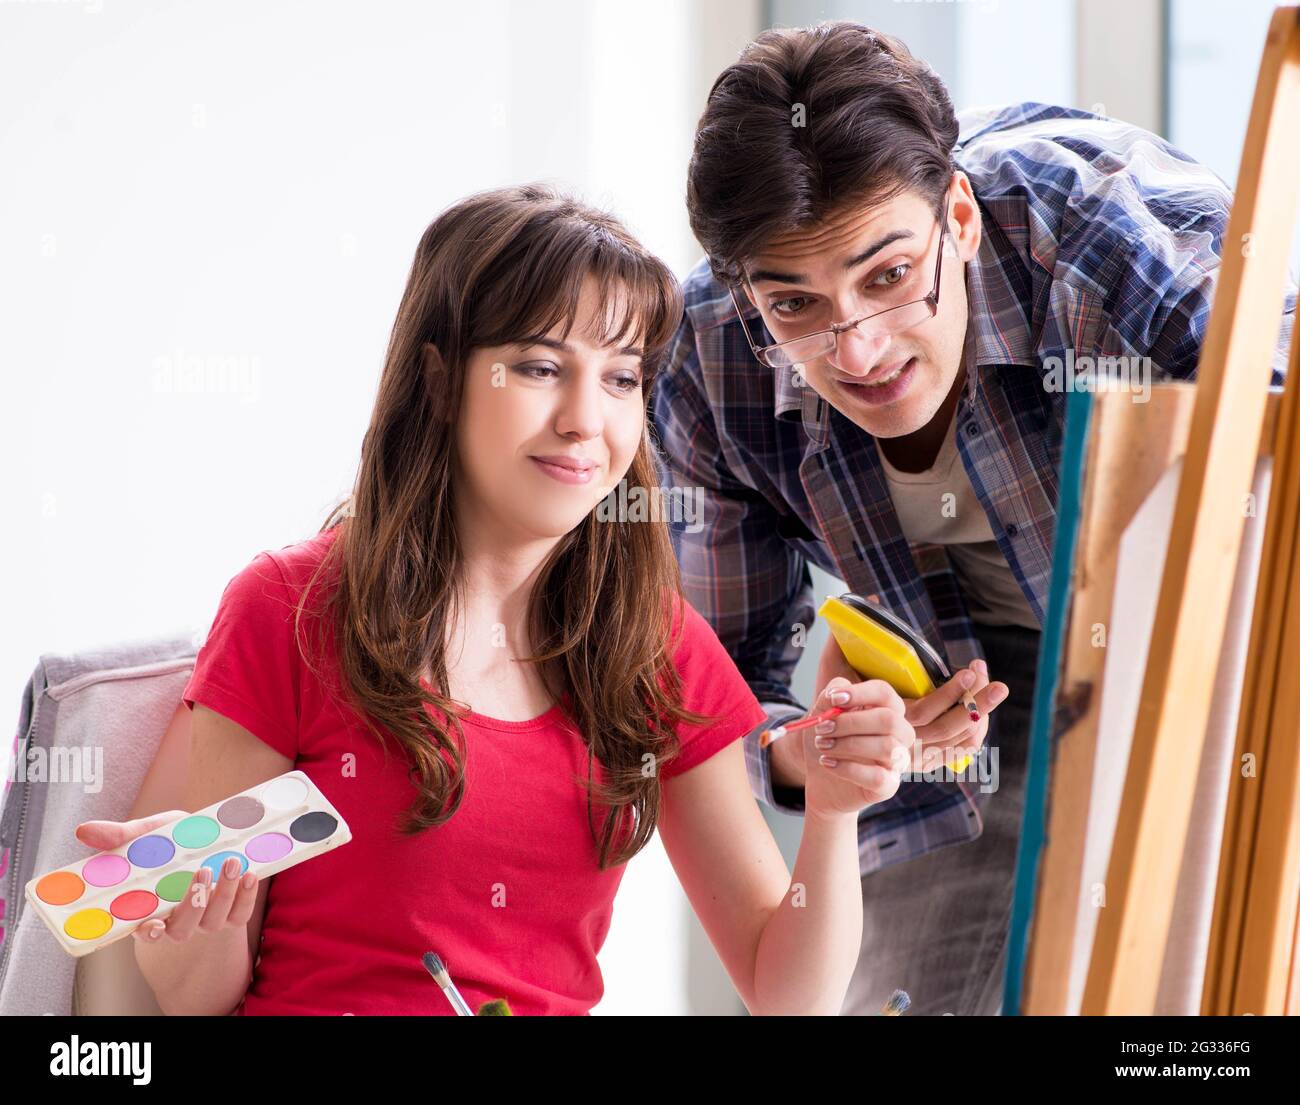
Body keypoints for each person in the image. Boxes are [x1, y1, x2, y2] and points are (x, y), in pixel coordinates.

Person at [74, 184, 917, 1016]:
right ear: (441, 379)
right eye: (543, 368)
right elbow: (201, 999)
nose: (587, 420)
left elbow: (786, 992)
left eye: (622, 378)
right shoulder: (289, 608)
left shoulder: (651, 643)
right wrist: (185, 929)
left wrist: (834, 813)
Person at [652, 22, 1296, 1015]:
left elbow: (1278, 488)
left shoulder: (1106, 241)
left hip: (1198, 647)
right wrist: (822, 751)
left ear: (955, 215)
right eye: (795, 305)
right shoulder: (704, 362)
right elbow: (716, 687)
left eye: (887, 277)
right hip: (958, 690)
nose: (858, 349)